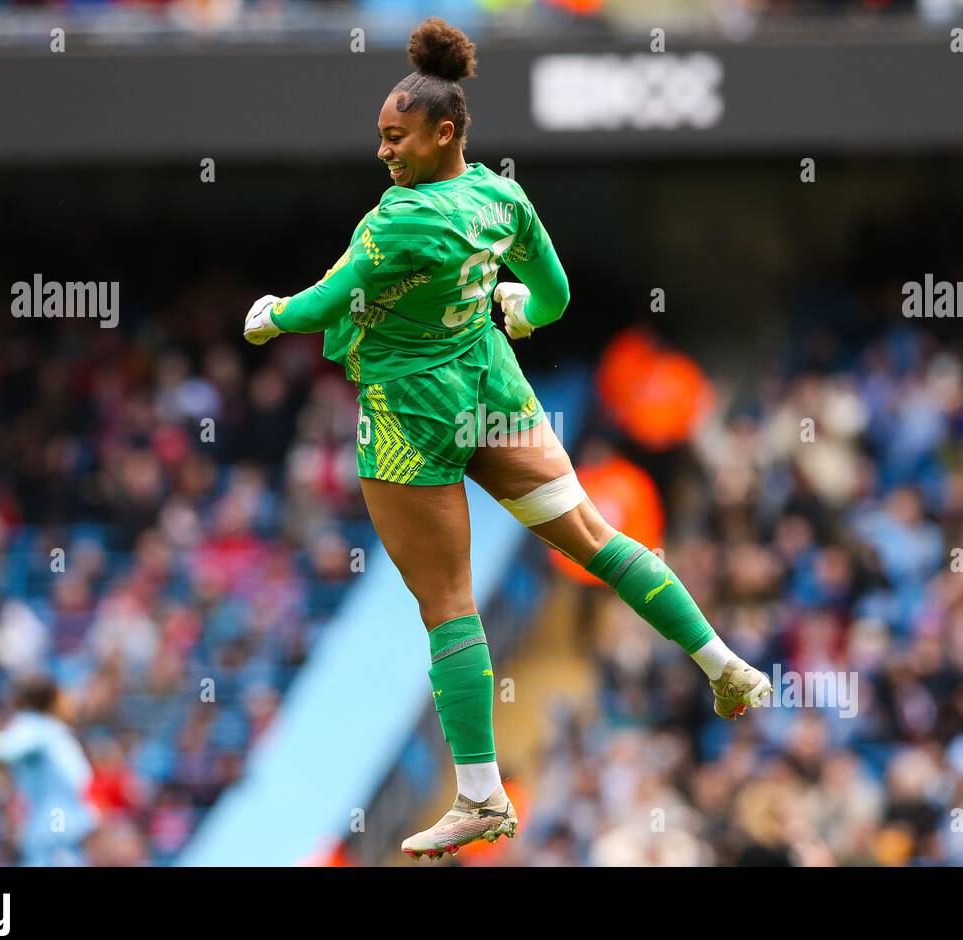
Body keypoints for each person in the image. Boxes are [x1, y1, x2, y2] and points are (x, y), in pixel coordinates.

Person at [242, 17, 773, 859]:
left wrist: (269, 318)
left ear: (442, 130)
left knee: (448, 606)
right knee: (598, 539)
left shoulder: (395, 223)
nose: (383, 152)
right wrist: (519, 307)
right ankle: (721, 662)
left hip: (410, 415)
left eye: (394, 137)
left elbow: (321, 303)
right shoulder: (501, 196)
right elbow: (553, 295)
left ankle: (482, 795)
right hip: (493, 396)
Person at [0, 675, 97, 866]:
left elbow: (0, 750)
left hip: (55, 817)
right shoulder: (55, 728)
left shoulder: (33, 724)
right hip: (67, 813)